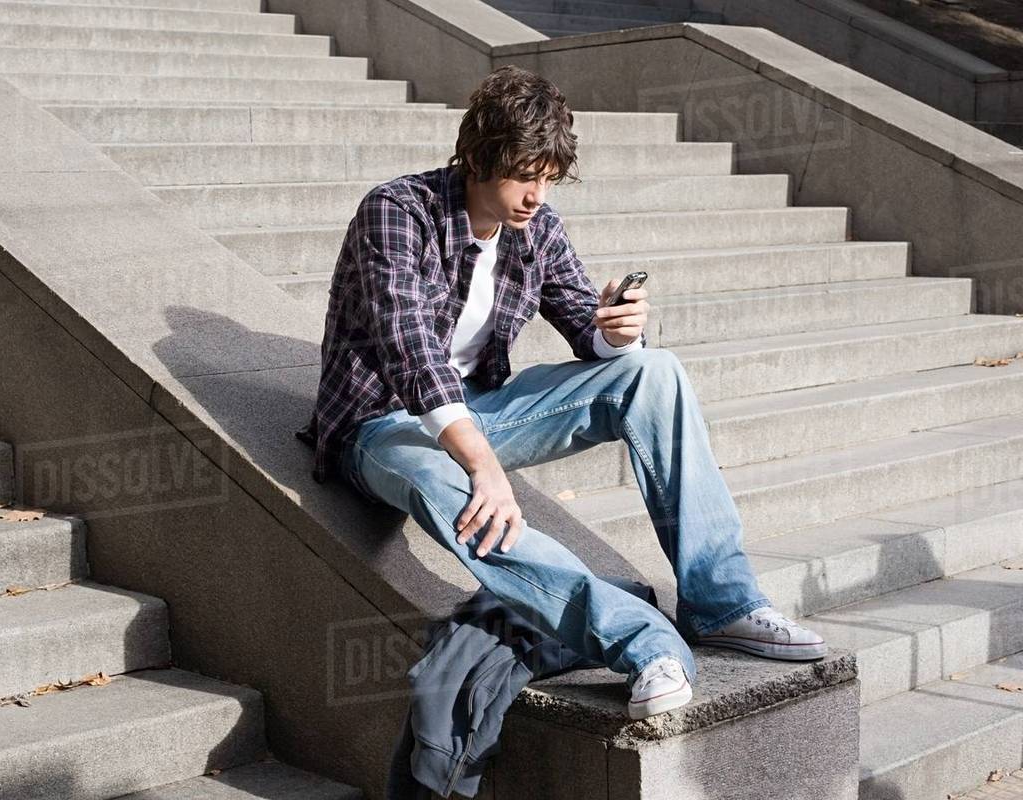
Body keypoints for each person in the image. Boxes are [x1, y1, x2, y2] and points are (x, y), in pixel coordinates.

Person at [295, 64, 826, 721]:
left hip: (477, 408)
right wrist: (483, 467)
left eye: (548, 176)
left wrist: (618, 331)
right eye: (524, 174)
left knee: (652, 372)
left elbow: (586, 330)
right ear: (479, 155)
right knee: (446, 484)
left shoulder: (535, 228)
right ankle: (643, 640)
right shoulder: (399, 211)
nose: (536, 194)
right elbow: (413, 357)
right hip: (382, 424)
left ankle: (722, 602)